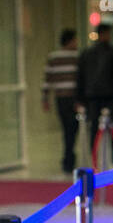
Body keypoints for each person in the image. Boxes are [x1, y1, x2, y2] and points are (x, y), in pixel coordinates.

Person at [76, 24, 113, 164]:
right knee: (112, 127)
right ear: (104, 34)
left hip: (93, 95)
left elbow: (80, 78)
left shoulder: (87, 53)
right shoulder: (112, 52)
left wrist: (80, 98)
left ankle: (94, 157)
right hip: (108, 95)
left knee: (95, 128)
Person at [42, 29, 80, 175]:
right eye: (75, 40)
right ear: (69, 41)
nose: (76, 43)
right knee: (70, 129)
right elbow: (48, 78)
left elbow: (47, 79)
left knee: (68, 129)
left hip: (64, 98)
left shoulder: (54, 57)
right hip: (68, 98)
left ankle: (68, 158)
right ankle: (69, 158)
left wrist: (45, 98)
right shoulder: (75, 57)